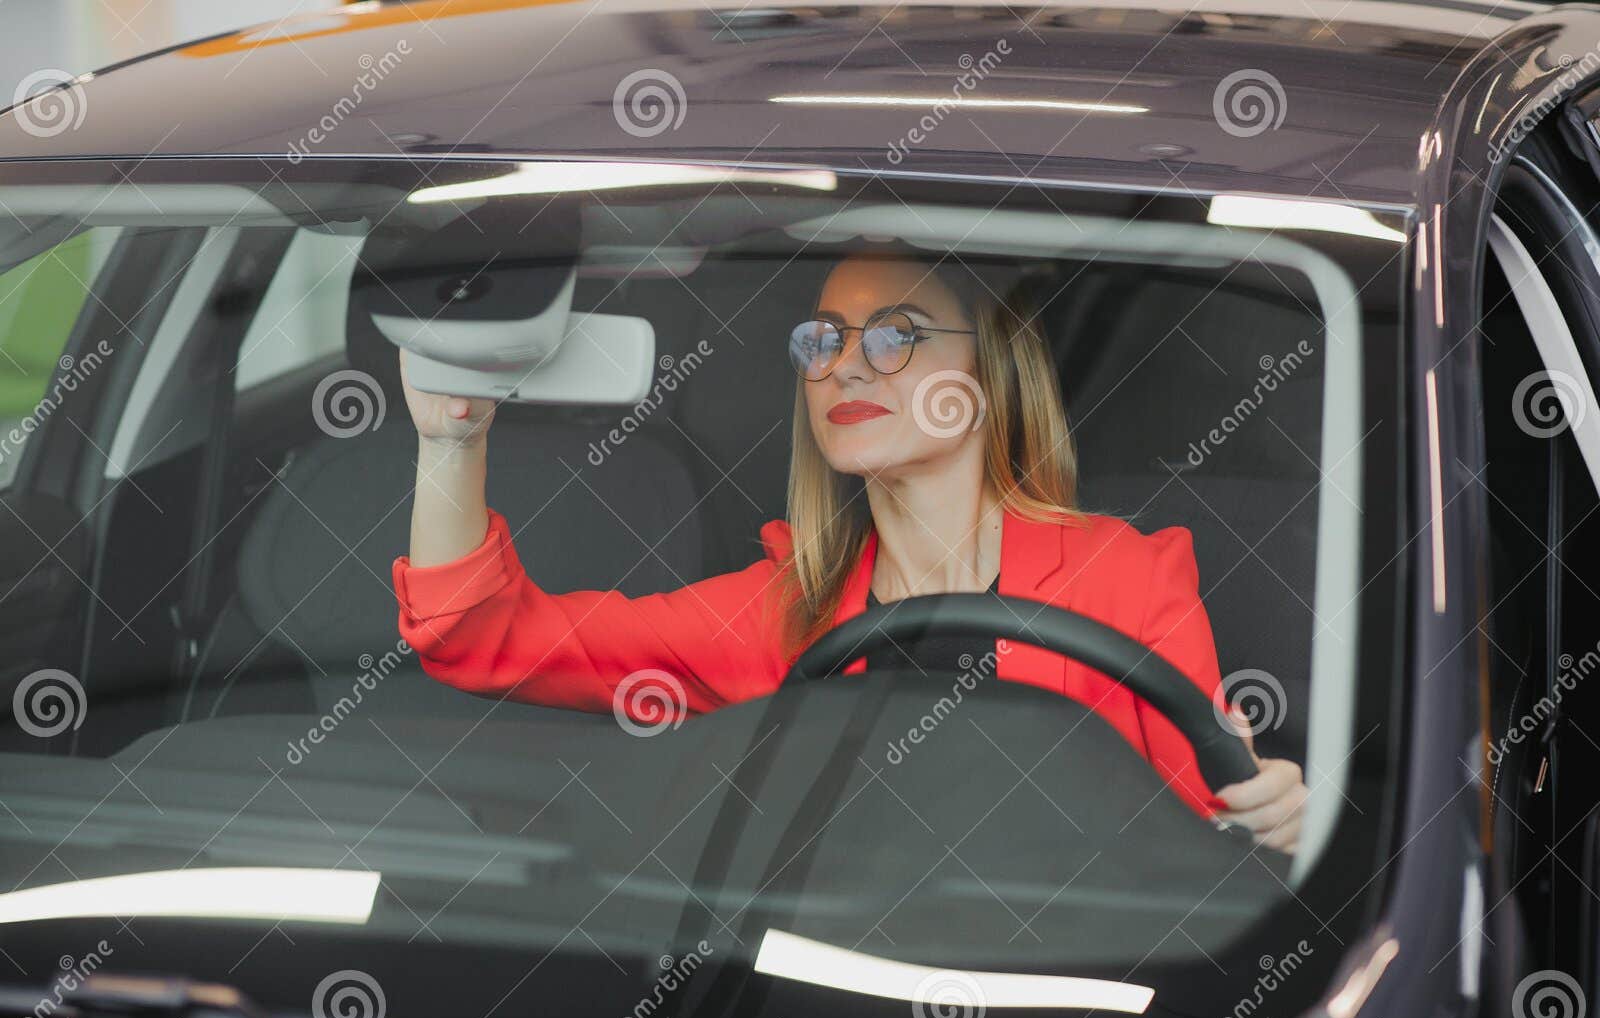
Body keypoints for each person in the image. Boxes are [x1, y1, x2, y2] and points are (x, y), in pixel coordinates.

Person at [390, 251, 1307, 852]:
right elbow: (479, 637)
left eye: (896, 335)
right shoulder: (778, 612)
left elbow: (1200, 854)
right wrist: (451, 440)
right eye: (821, 339)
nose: (845, 365)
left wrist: (1272, 819)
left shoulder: (1125, 578)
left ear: (988, 370)